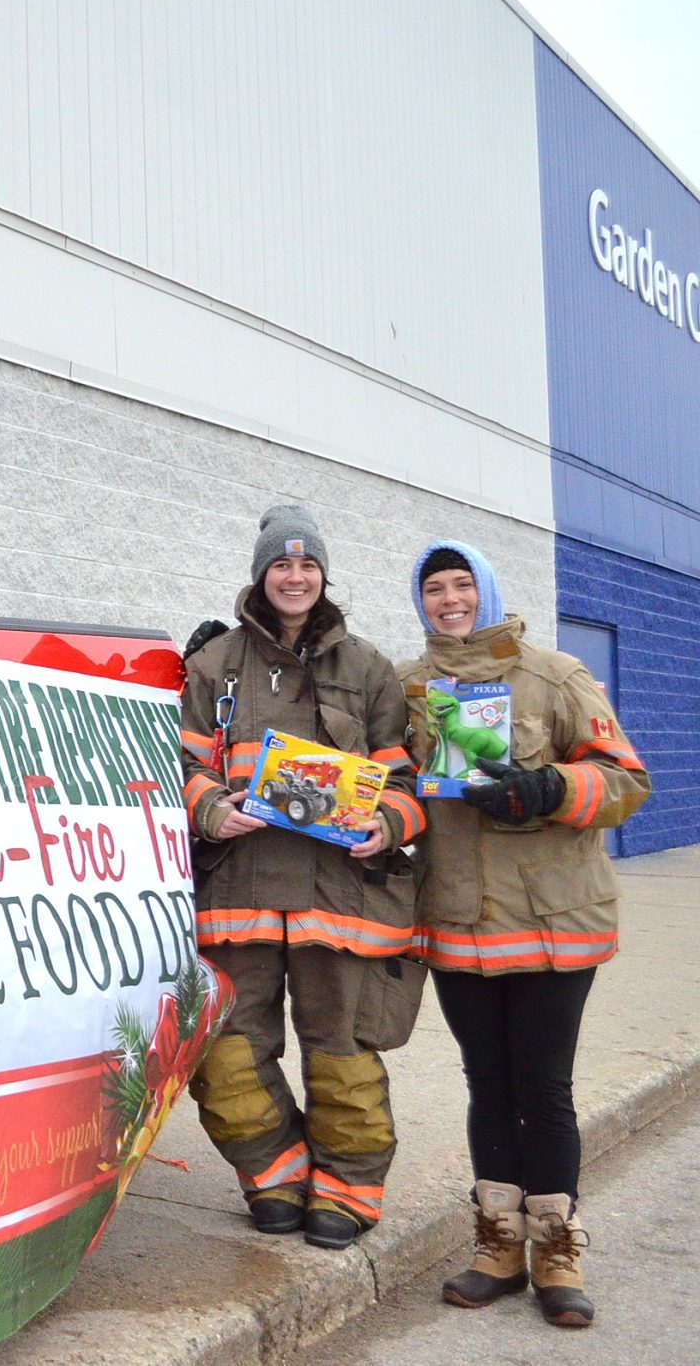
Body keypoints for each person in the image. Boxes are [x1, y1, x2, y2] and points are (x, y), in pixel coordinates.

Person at [400, 540, 649, 1328]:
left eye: (461, 585)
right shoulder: (409, 687)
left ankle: (558, 1251)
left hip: (551, 923)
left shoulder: (554, 675)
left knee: (542, 1090)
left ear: (489, 590)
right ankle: (498, 1246)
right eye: (434, 588)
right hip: (458, 921)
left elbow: (627, 780)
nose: (450, 600)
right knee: (487, 1085)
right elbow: (385, 778)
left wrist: (550, 787)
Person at [178, 505, 428, 1250]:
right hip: (239, 891)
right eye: (281, 565)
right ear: (261, 574)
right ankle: (274, 1172)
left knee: (342, 1048)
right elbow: (178, 766)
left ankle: (348, 1188)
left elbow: (406, 780)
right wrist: (210, 809)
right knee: (225, 1052)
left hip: (337, 897)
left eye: (307, 565)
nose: (294, 577)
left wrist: (386, 824)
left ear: (324, 576)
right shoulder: (213, 664)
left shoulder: (370, 669)